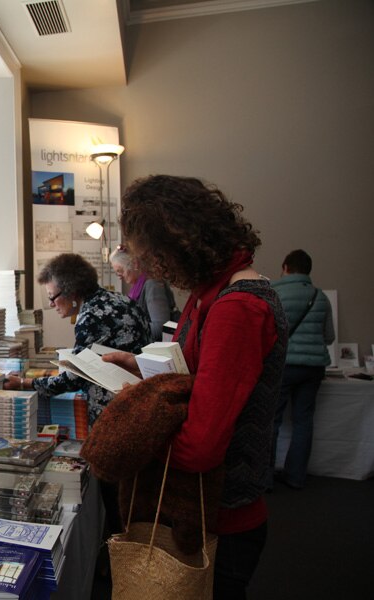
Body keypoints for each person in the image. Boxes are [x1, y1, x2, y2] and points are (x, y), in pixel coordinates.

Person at [102, 175, 287, 600]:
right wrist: (142, 369)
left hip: (218, 519)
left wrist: (136, 425)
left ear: (175, 247)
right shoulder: (213, 294)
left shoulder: (236, 307)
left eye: (149, 256)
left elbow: (201, 445)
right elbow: (202, 378)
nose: (147, 268)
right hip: (206, 511)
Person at [4, 252, 149, 535]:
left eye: (52, 296)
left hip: (114, 417)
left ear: (70, 292)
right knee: (132, 495)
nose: (51, 304)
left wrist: (26, 384)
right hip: (138, 405)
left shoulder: (91, 314)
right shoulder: (119, 300)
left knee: (115, 496)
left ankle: (120, 560)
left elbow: (74, 377)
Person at [270, 249, 334, 490]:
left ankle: (265, 478)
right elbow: (329, 337)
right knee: (304, 421)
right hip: (313, 367)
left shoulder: (275, 293)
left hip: (282, 365)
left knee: (272, 420)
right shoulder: (320, 296)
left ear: (285, 266)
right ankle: (295, 476)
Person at [110, 245, 180, 341]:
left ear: (135, 264)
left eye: (120, 271)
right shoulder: (137, 287)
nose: (119, 276)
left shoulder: (153, 285)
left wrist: (128, 329)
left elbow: (160, 327)